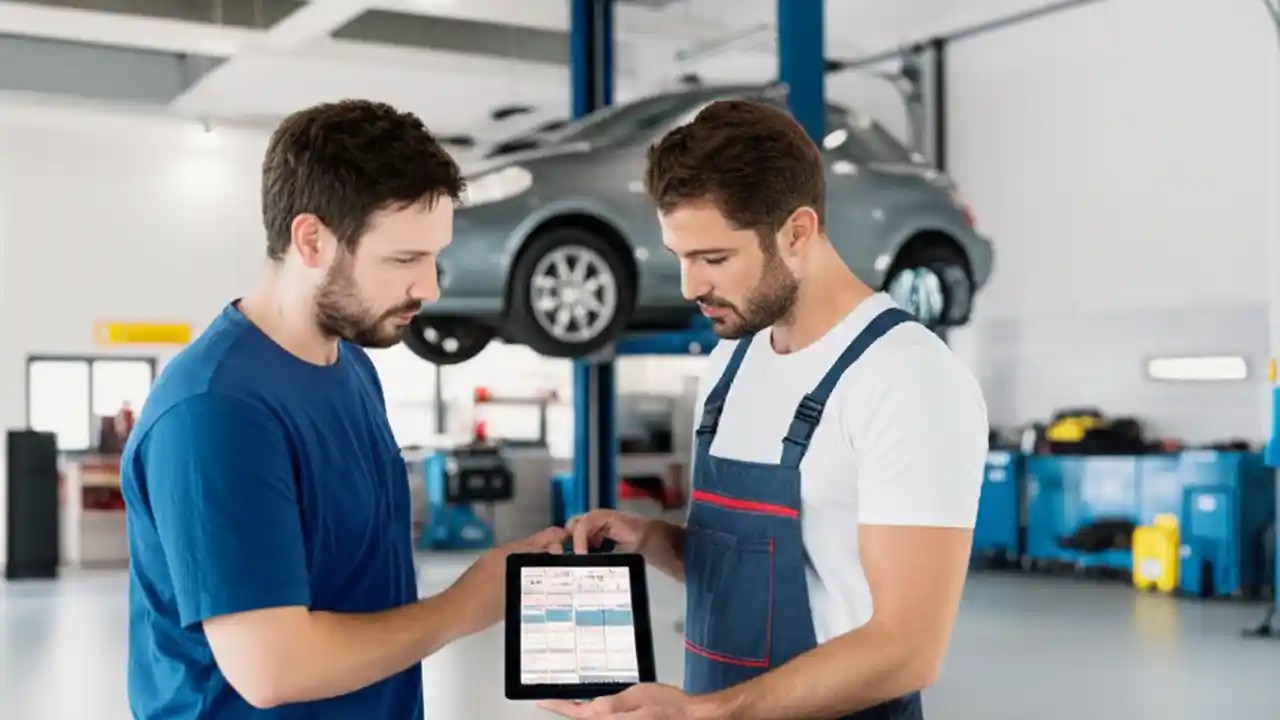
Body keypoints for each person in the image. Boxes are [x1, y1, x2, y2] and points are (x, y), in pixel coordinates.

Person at [541, 100, 989, 719]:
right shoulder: (732, 362)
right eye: (680, 256)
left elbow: (907, 650)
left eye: (713, 259)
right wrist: (652, 541)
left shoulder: (905, 377)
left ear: (797, 232)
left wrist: (706, 713)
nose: (690, 286)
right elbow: (755, 572)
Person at [120, 99, 568, 719]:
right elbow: (272, 668)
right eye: (404, 260)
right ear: (312, 240)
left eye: (434, 258)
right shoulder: (216, 412)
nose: (430, 287)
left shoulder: (351, 366)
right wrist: (465, 606)